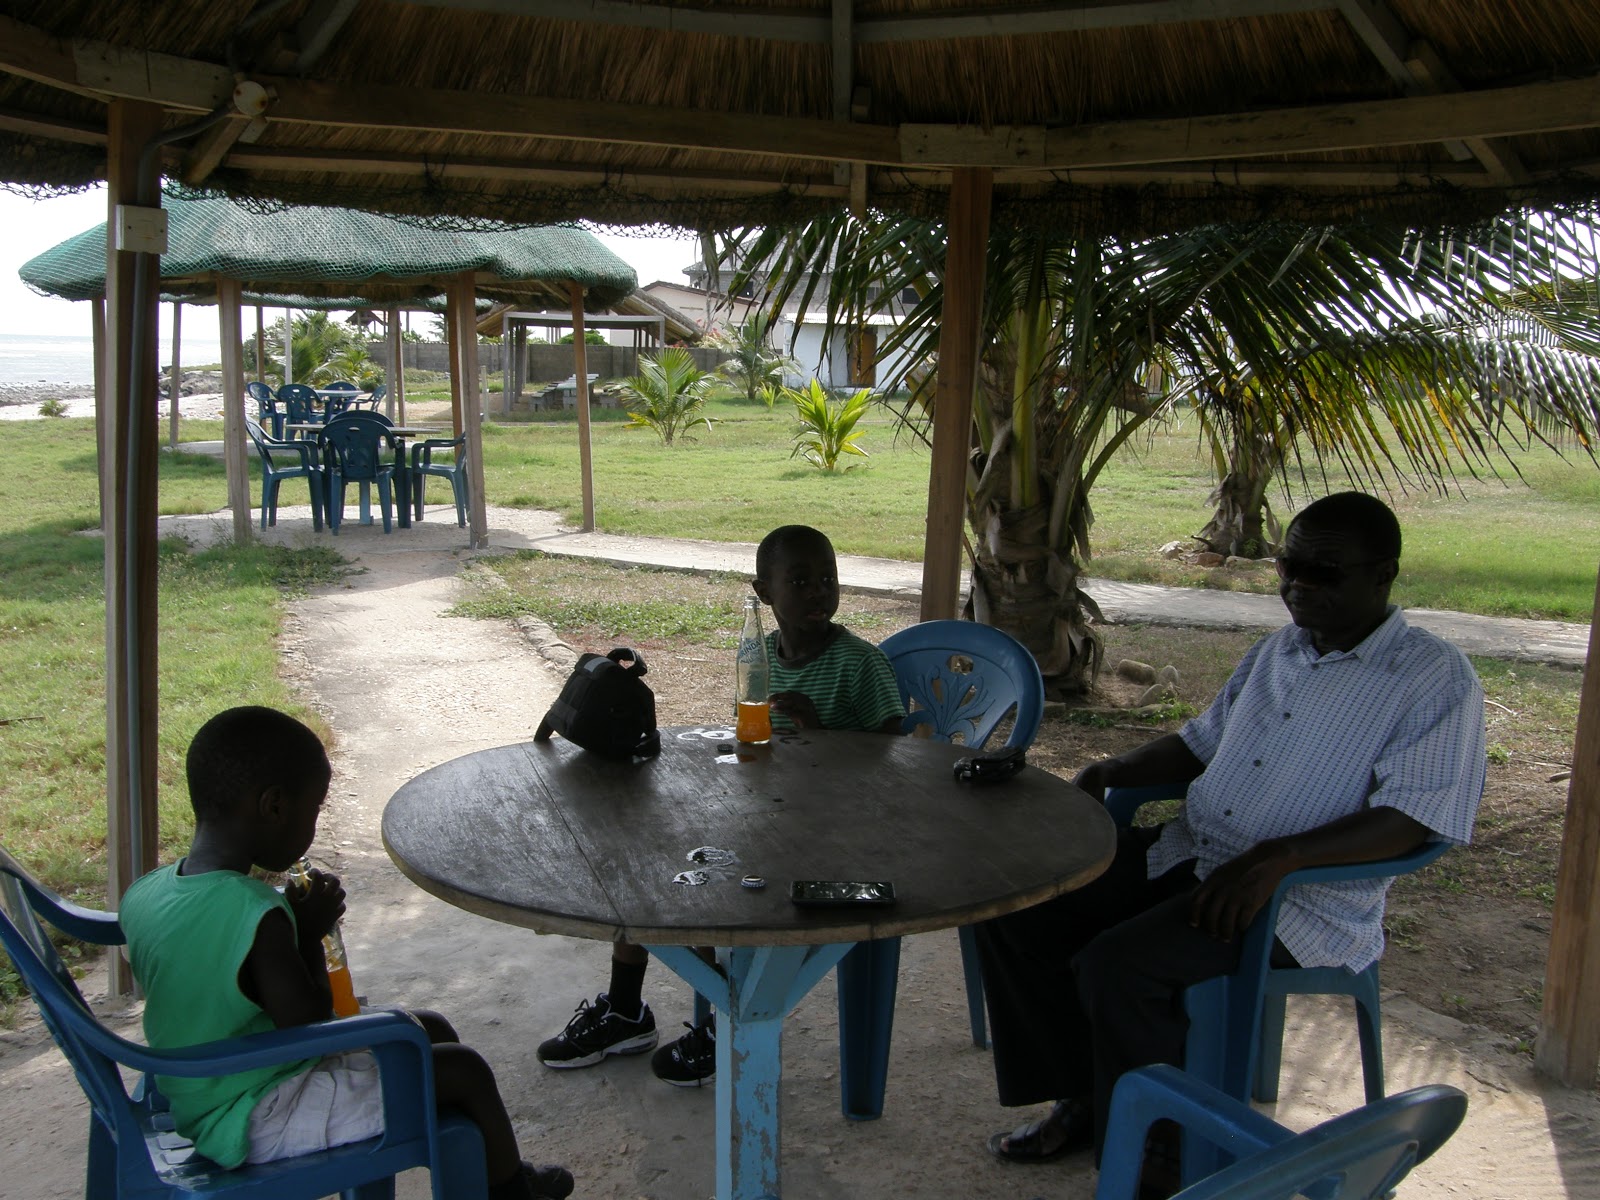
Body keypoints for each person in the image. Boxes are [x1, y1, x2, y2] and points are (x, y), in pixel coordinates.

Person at [975, 492, 1486, 1189]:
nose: (1300, 586)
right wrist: (1108, 770)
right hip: (1193, 851)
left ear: (1384, 574)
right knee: (1018, 899)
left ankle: (1160, 1163)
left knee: (1118, 967)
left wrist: (1281, 859)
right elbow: (1201, 744)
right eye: (1290, 566)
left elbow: (1412, 817)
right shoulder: (1280, 649)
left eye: (1326, 572)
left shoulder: (1431, 678)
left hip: (1297, 902)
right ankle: (1089, 1099)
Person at [119, 707, 574, 1200]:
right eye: (313, 810)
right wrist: (309, 931)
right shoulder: (254, 911)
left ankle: (487, 1168)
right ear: (273, 806)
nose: (312, 828)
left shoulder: (148, 891)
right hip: (258, 1112)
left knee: (432, 1030)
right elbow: (309, 1024)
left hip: (204, 1086)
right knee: (464, 1071)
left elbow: (217, 973)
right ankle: (511, 1191)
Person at [537, 523, 905, 1085]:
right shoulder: (762, 657)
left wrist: (822, 730)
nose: (816, 592)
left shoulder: (862, 664)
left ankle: (724, 1023)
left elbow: (896, 763)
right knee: (655, 854)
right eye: (799, 580)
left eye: (826, 579)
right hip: (772, 813)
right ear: (764, 593)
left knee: (701, 880)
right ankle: (626, 1008)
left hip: (836, 832)